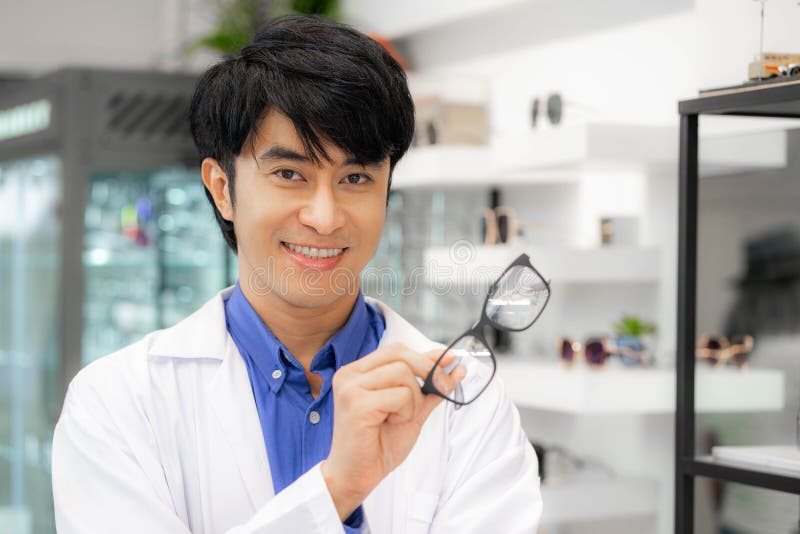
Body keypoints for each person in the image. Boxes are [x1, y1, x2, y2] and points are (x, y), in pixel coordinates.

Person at [51, 15, 541, 533]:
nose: (324, 217)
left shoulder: (467, 403)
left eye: (356, 177)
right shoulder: (117, 404)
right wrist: (337, 490)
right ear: (222, 188)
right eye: (289, 173)